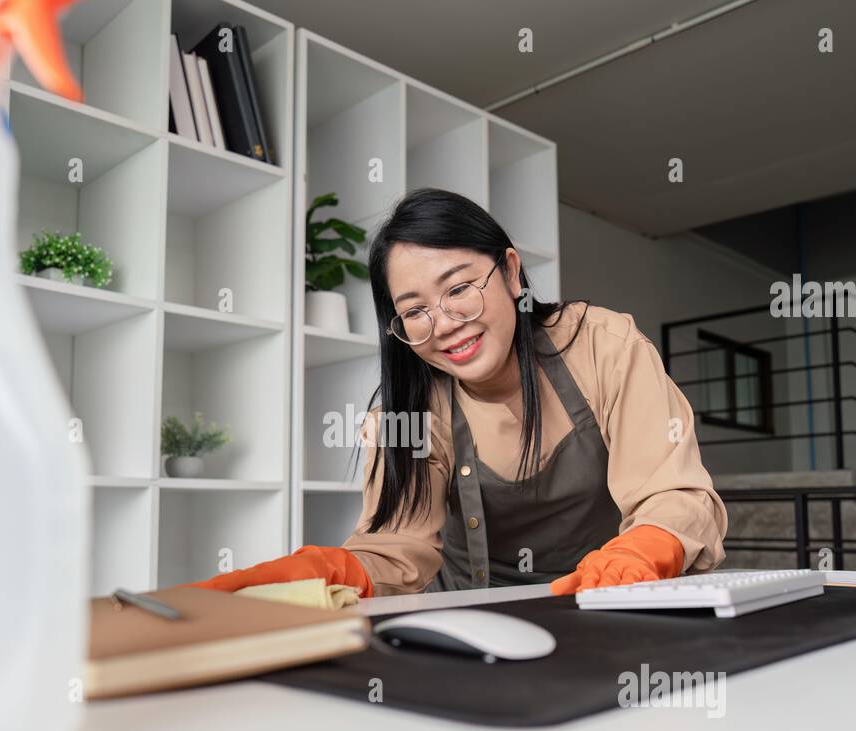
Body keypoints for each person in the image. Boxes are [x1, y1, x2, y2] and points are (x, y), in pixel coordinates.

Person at [184, 188, 727, 598]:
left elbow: (674, 493)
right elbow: (396, 552)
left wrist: (643, 550)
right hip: (473, 621)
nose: (443, 324)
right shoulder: (411, 412)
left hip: (603, 606)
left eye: (460, 288)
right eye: (415, 310)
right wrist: (324, 571)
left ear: (511, 273)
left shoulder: (601, 346)